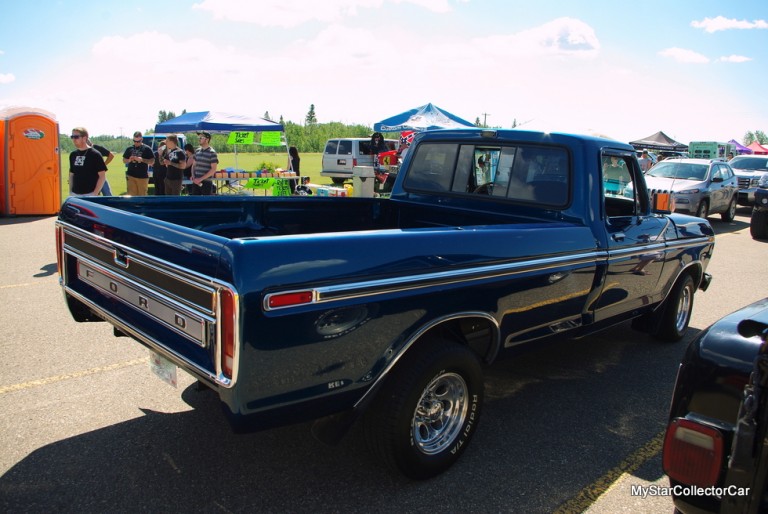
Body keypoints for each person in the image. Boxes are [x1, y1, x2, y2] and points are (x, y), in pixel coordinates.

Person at [68, 127, 107, 197]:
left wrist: (94, 194)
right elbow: (71, 174)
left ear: (84, 138)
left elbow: (102, 176)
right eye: (72, 137)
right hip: (75, 194)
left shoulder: (95, 154)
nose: (74, 139)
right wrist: (70, 191)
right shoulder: (73, 155)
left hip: (90, 194)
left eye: (76, 137)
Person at [122, 131, 155, 195]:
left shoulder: (147, 149)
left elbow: (152, 161)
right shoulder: (129, 148)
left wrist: (142, 160)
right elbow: (124, 160)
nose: (136, 143)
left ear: (142, 140)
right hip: (131, 175)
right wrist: (129, 160)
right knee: (131, 195)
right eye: (134, 141)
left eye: (138, 141)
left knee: (142, 195)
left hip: (142, 177)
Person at [189, 131, 218, 195]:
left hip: (206, 183)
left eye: (201, 138)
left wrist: (200, 179)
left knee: (206, 203)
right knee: (195, 203)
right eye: (199, 138)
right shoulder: (197, 151)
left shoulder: (212, 152)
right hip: (196, 182)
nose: (199, 139)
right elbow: (193, 166)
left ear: (207, 140)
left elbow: (213, 169)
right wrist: (193, 176)